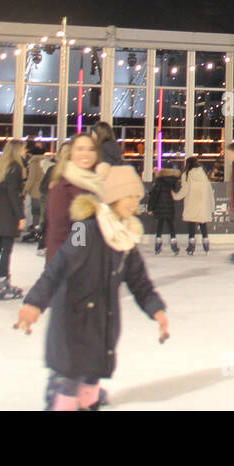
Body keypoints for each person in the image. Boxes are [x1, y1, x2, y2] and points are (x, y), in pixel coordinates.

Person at [15, 165, 169, 411]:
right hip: (73, 320)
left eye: (137, 197)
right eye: (128, 196)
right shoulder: (83, 229)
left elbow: (139, 282)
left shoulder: (126, 237)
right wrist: (34, 303)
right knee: (69, 384)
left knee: (90, 386)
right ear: (113, 196)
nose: (134, 203)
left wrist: (156, 310)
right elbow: (58, 266)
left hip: (102, 323)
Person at [44, 132, 107, 269]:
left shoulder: (99, 185)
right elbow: (59, 234)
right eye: (80, 149)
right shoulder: (63, 188)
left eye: (91, 149)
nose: (86, 154)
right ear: (71, 153)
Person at [0, 140, 28, 300]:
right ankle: (3, 281)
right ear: (17, 151)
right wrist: (21, 216)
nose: (25, 151)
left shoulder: (2, 167)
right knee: (6, 249)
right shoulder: (16, 168)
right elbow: (12, 194)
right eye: (23, 148)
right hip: (7, 214)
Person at [174, 155, 215, 255]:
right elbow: (209, 190)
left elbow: (185, 190)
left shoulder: (187, 175)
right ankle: (206, 243)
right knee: (203, 222)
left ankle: (191, 245)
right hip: (202, 203)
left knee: (191, 224)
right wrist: (211, 204)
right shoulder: (203, 174)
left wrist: (175, 196)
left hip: (192, 202)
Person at [147, 162, 183, 256]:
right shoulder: (173, 182)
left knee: (160, 225)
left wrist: (150, 208)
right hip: (169, 207)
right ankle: (174, 242)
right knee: (171, 226)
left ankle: (158, 242)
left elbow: (154, 196)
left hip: (160, 207)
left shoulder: (158, 183)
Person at [22, 143, 49, 242]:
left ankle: (36, 233)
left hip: (36, 191)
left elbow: (31, 178)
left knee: (36, 213)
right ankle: (41, 233)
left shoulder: (34, 162)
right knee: (42, 213)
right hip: (45, 190)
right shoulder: (46, 162)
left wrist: (25, 190)